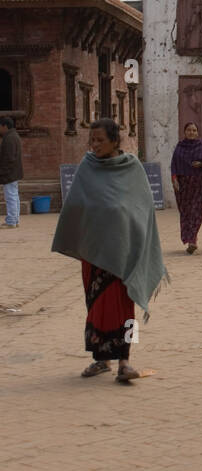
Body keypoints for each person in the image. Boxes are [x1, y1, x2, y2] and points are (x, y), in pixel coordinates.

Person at [51, 118, 167, 383]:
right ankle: (100, 359)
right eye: (91, 140)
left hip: (125, 255)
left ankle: (125, 361)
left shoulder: (132, 168)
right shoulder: (87, 166)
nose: (94, 146)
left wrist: (131, 233)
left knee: (125, 309)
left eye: (100, 141)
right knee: (96, 307)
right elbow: (75, 205)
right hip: (94, 255)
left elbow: (142, 209)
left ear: (116, 141)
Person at [170, 122, 202, 252]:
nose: (192, 132)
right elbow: (174, 166)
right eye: (189, 130)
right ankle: (190, 238)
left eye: (194, 130)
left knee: (196, 212)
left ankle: (192, 240)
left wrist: (201, 164)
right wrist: (174, 180)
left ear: (197, 132)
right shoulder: (179, 147)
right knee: (186, 213)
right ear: (184, 132)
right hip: (184, 187)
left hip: (199, 186)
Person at [0, 115, 23, 228]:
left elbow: (8, 159)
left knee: (10, 197)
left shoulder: (9, 138)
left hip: (10, 173)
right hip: (14, 172)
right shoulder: (14, 136)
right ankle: (15, 219)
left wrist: (2, 172)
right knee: (14, 196)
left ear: (5, 126)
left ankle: (11, 221)